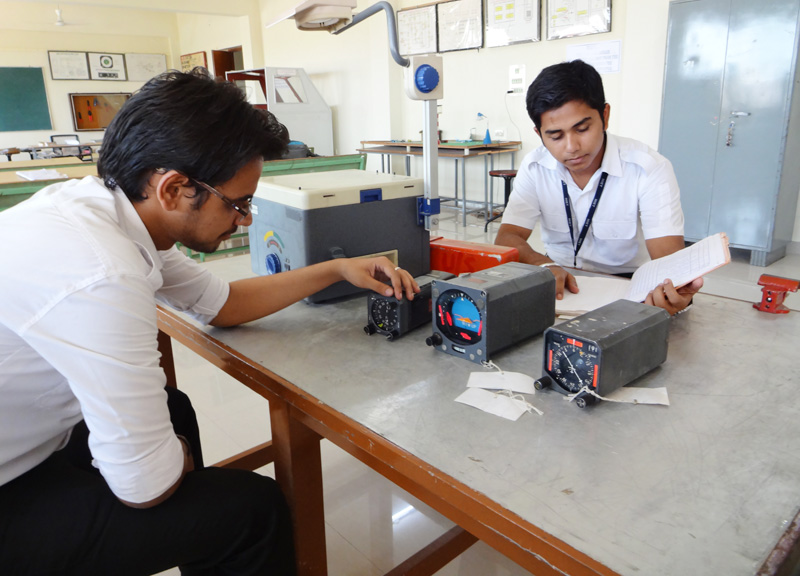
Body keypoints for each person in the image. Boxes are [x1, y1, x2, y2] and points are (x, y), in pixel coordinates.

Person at [0, 68, 419, 575]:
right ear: (175, 189)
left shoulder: (108, 212)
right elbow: (144, 487)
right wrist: (169, 462)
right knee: (251, 510)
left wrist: (335, 269)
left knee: (172, 409)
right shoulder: (102, 272)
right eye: (238, 203)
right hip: (14, 489)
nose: (244, 220)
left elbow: (223, 304)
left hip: (29, 440)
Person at [495, 59, 702, 315]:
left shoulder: (647, 168)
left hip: (628, 286)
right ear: (539, 134)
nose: (571, 147)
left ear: (604, 116)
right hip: (559, 283)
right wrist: (543, 266)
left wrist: (675, 293)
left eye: (582, 129)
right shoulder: (535, 166)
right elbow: (507, 237)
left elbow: (669, 261)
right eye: (555, 136)